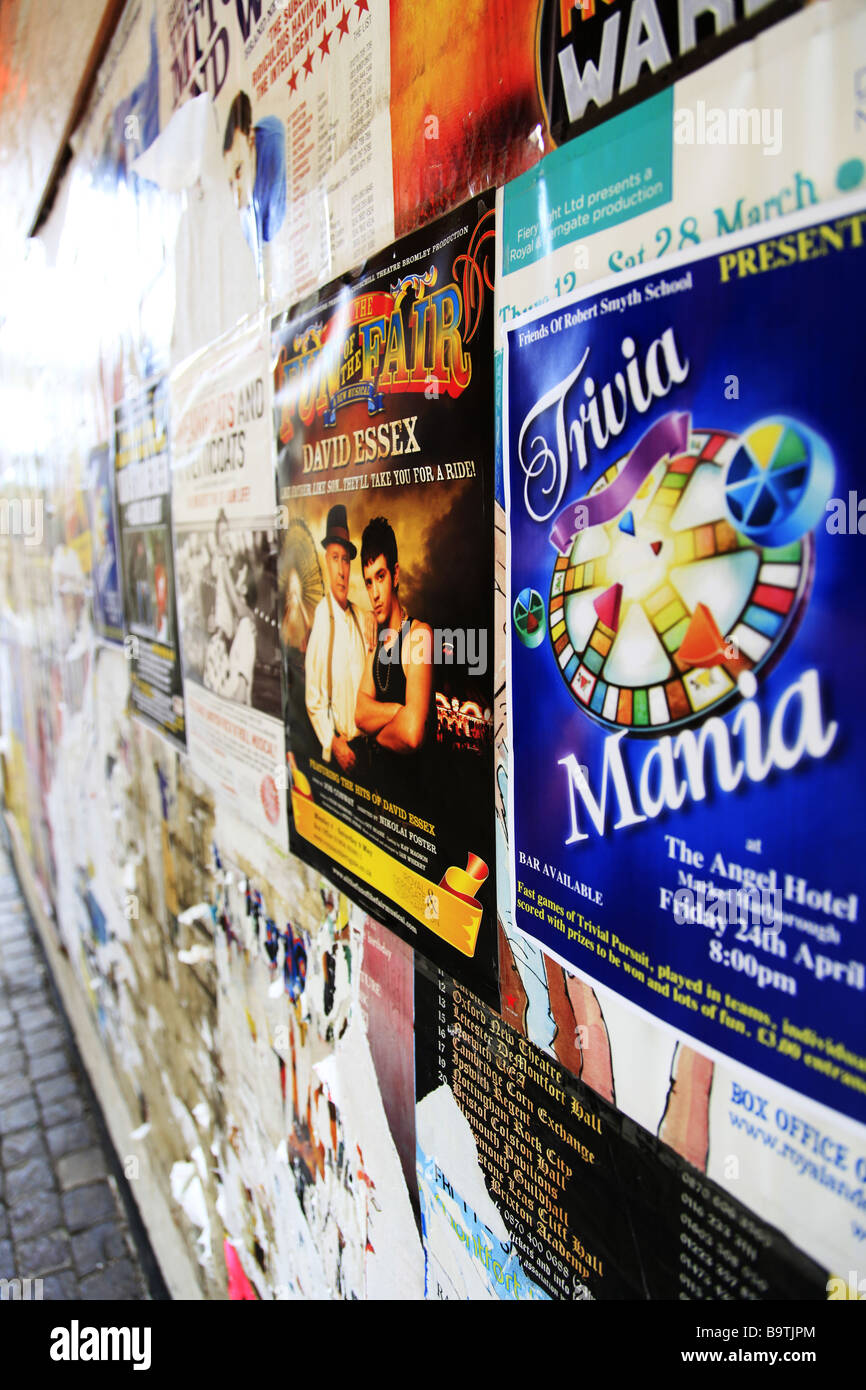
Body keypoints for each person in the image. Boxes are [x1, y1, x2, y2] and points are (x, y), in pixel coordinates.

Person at [355, 516, 433, 801]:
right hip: (382, 804)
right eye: (367, 582)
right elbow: (359, 713)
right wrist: (398, 711)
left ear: (396, 575)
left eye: (380, 576)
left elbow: (412, 733)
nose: (374, 593)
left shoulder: (418, 635)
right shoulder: (375, 648)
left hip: (416, 809)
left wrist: (373, 735)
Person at [304, 506, 369, 772]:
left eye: (345, 559)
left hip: (369, 749)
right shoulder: (322, 618)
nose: (341, 570)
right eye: (335, 558)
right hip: (345, 752)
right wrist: (333, 742)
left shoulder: (361, 617)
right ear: (326, 562)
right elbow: (313, 698)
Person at [222, 91, 286, 251]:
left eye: (238, 170)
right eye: (230, 183)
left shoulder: (273, 140)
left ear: (251, 140)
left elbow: (270, 232)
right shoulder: (242, 216)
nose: (236, 190)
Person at [205, 511, 256, 703]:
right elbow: (235, 606)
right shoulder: (220, 565)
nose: (226, 538)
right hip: (219, 646)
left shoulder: (232, 564)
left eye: (228, 532)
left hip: (228, 644)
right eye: (222, 534)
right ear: (217, 539)